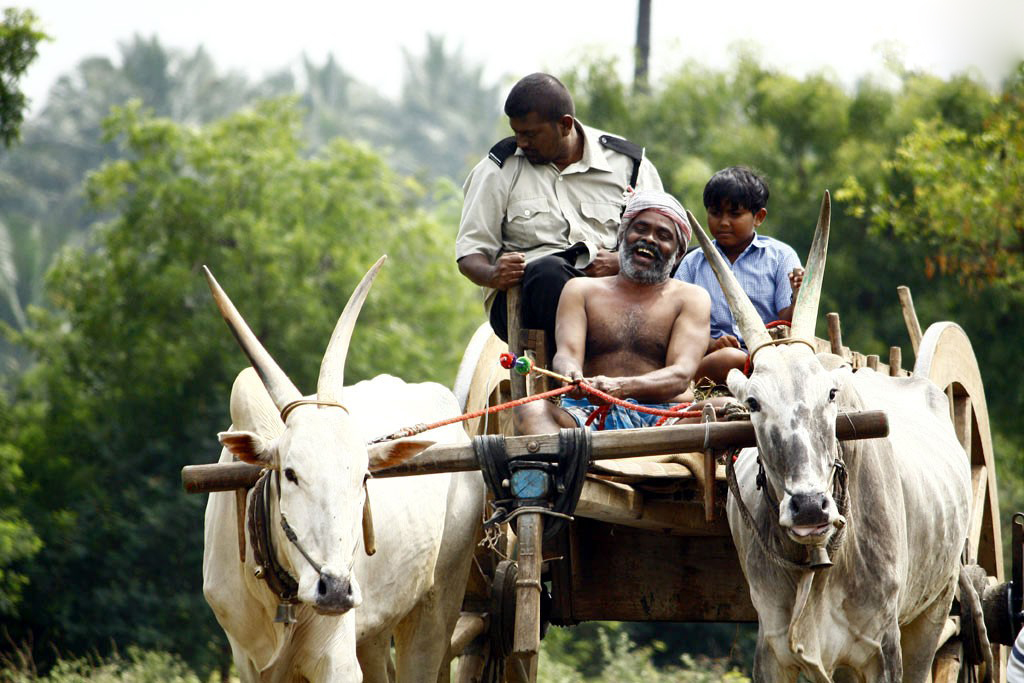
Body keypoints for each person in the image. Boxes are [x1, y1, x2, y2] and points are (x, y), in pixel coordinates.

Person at [455, 72, 663, 352]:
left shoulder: (628, 164)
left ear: (565, 125)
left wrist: (619, 262)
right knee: (549, 272)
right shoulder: (498, 170)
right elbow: (470, 254)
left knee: (691, 261)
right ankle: (574, 367)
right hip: (530, 299)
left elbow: (666, 237)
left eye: (530, 134)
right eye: (516, 132)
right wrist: (493, 274)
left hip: (614, 295)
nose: (521, 143)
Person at [513, 190, 710, 435]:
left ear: (678, 253)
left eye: (663, 235)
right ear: (623, 236)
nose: (649, 239)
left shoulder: (692, 298)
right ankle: (564, 468)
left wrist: (621, 387)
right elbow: (567, 354)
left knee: (725, 409)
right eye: (640, 228)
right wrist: (569, 374)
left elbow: (680, 375)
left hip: (665, 416)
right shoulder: (580, 290)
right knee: (529, 409)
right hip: (587, 414)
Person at [673, 166, 804, 384]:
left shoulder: (781, 257)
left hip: (770, 359)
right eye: (715, 213)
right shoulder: (693, 263)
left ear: (759, 217)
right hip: (711, 361)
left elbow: (787, 324)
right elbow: (675, 323)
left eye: (735, 214)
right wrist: (712, 344)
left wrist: (799, 295)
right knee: (730, 357)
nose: (723, 222)